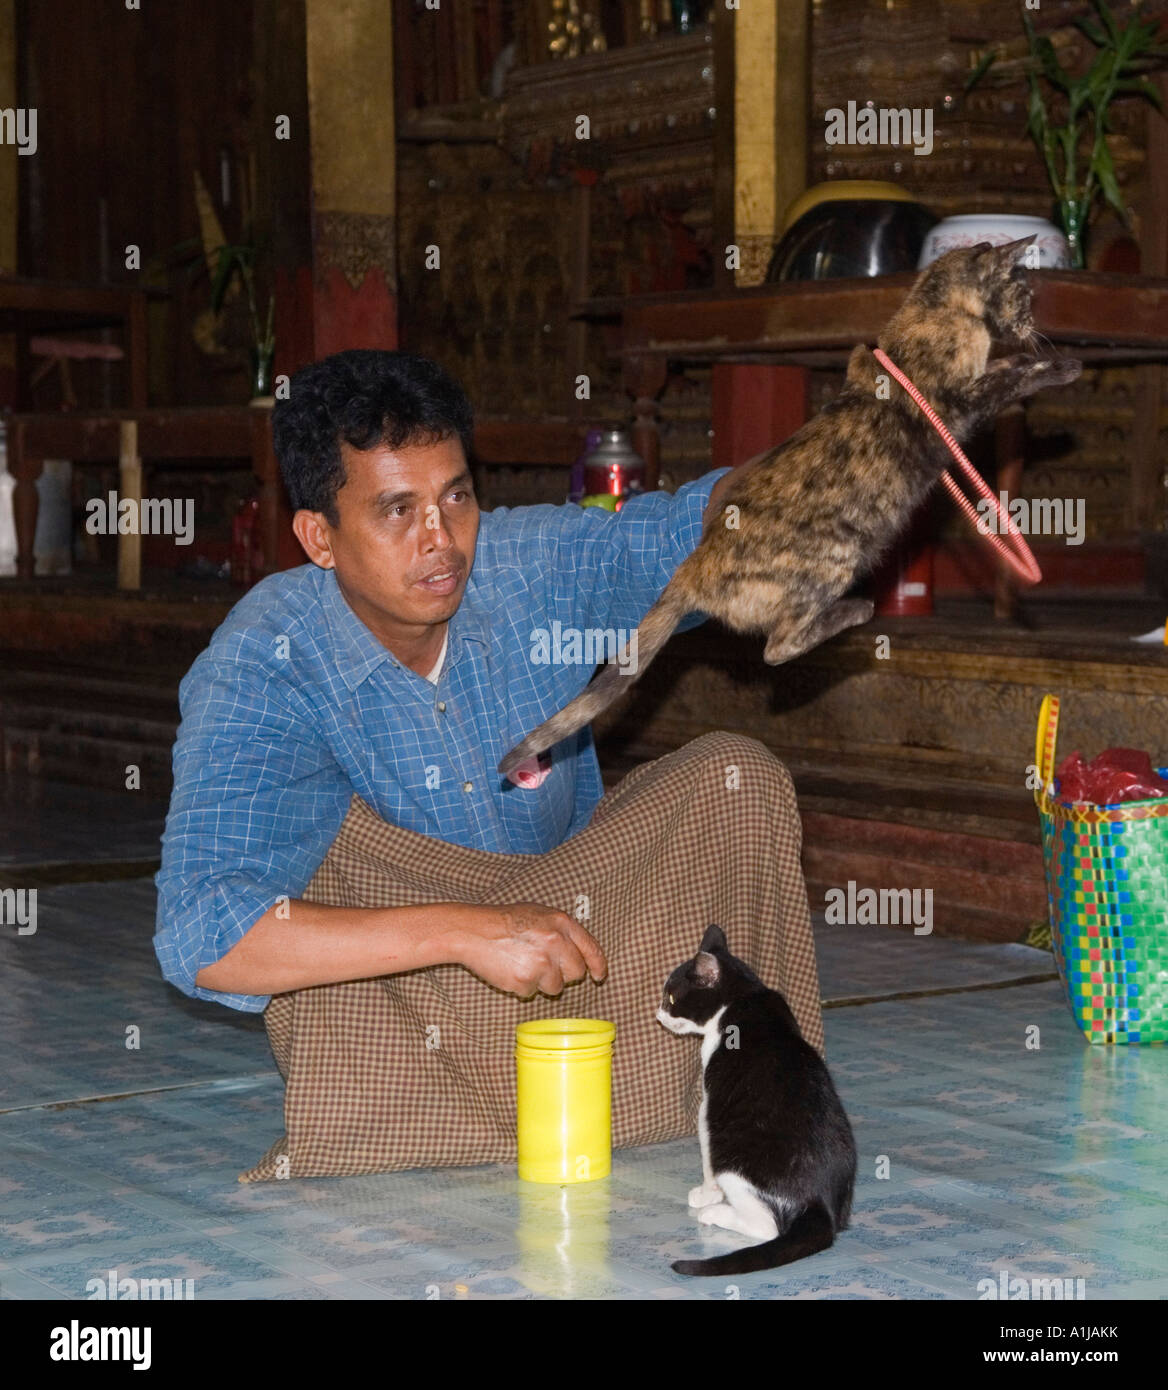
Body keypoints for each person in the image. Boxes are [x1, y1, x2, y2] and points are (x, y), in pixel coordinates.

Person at [153, 349, 822, 1180]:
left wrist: (831, 453)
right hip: (415, 1007)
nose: (441, 542)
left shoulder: (526, 567)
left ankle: (756, 1098)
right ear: (318, 537)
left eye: (456, 496)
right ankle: (484, 1111)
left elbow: (684, 530)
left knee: (736, 776)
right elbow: (201, 935)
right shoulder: (264, 660)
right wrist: (466, 931)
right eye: (397, 511)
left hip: (578, 945)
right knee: (336, 844)